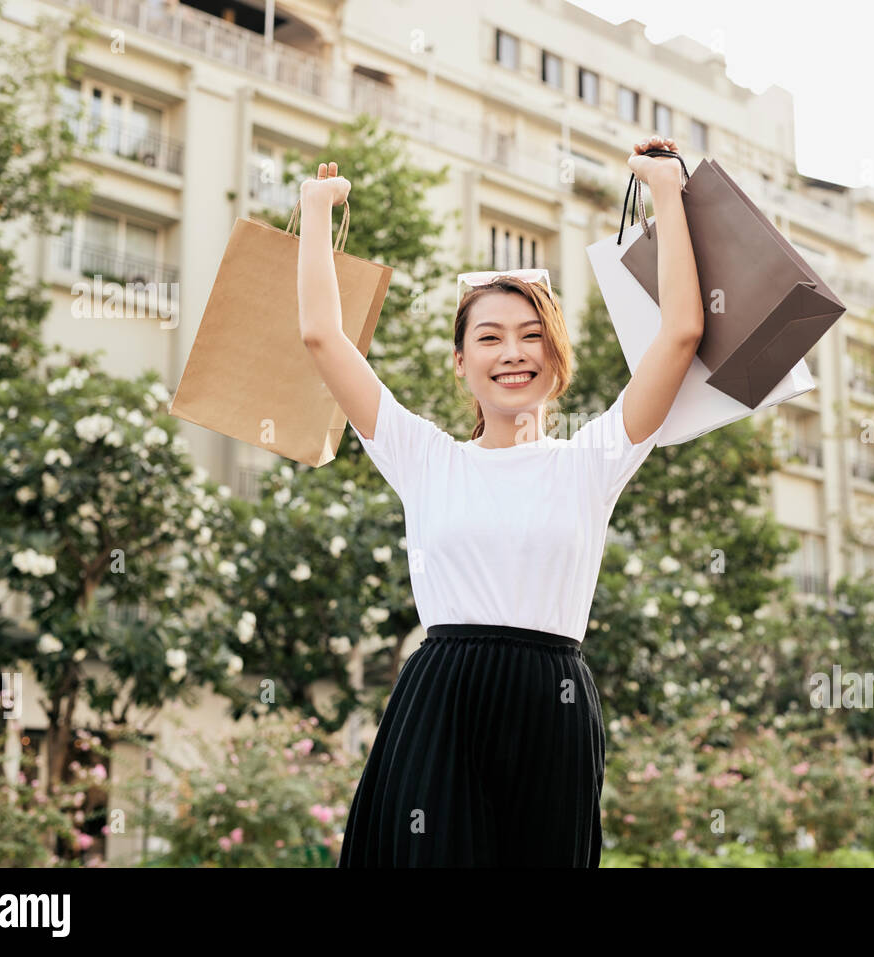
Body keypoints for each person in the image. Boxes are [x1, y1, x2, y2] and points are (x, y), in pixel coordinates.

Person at [296, 135, 704, 867]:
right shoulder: (424, 457)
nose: (512, 351)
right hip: (443, 699)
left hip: (555, 703)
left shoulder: (593, 458)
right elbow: (322, 335)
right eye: (489, 337)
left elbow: (681, 332)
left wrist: (666, 191)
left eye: (529, 336)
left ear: (556, 359)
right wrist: (315, 213)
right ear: (461, 363)